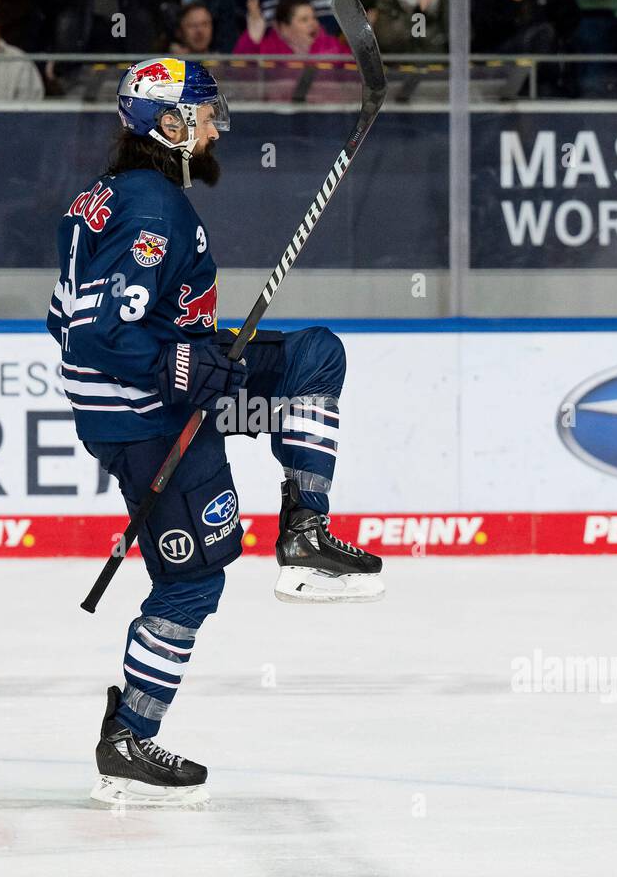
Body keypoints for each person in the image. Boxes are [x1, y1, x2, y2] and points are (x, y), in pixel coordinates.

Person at [50, 57, 383, 806]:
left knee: (311, 358)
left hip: (160, 397)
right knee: (193, 578)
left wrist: (195, 350)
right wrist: (178, 369)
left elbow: (61, 315)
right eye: (199, 113)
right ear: (164, 124)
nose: (211, 124)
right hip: (146, 419)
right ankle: (128, 738)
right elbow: (92, 334)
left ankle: (304, 532)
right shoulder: (151, 209)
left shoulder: (109, 196)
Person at [233, 0, 346, 54]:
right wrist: (252, 38)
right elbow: (240, 72)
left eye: (314, 17)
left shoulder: (332, 46)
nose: (313, 23)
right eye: (304, 20)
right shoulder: (269, 51)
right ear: (283, 27)